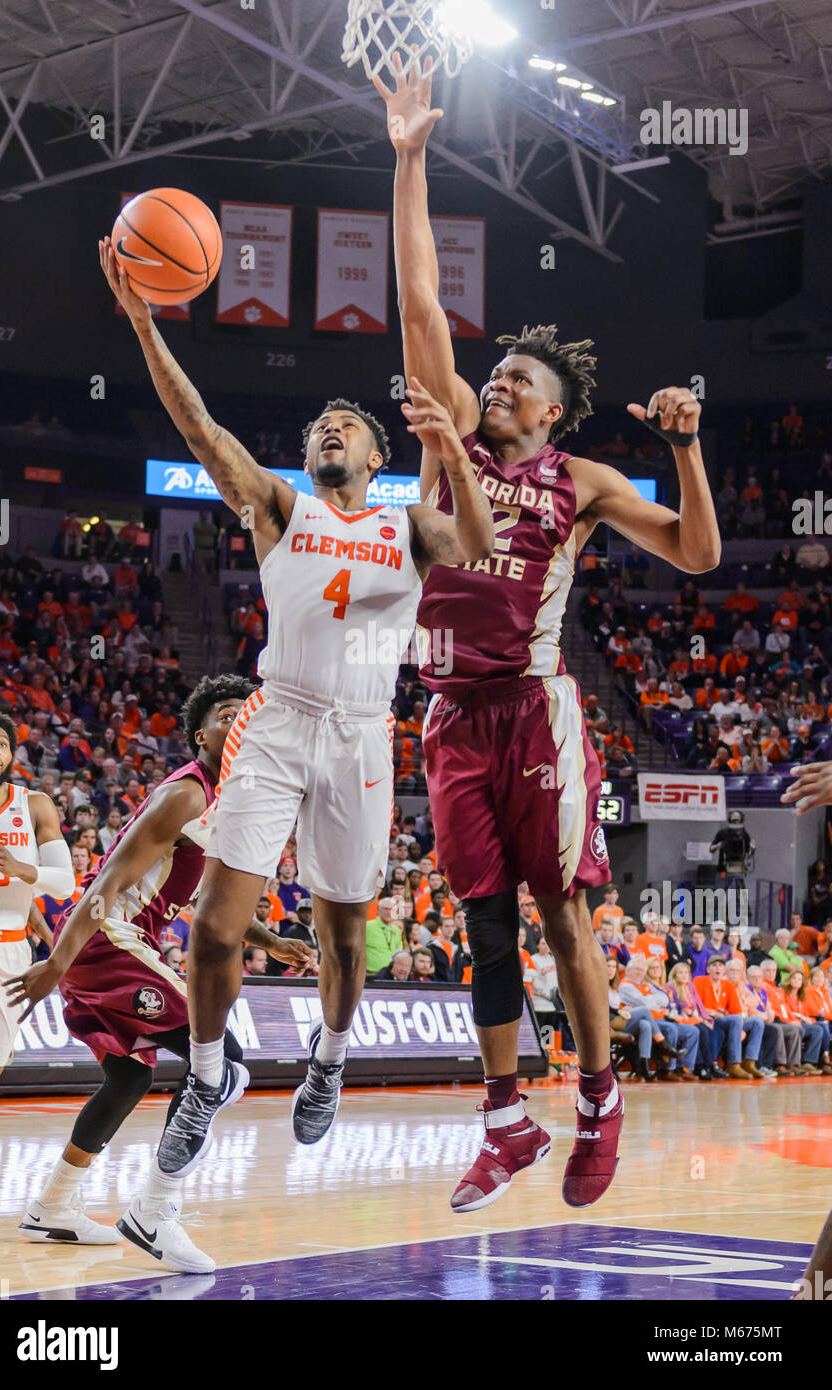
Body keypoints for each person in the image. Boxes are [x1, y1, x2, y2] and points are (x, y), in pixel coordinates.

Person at [93, 240, 495, 1265]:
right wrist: (144, 322)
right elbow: (199, 425)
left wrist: (448, 446)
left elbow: (479, 546)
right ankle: (205, 1074)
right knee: (217, 930)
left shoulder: (409, 527)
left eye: (349, 425)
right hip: (276, 721)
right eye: (322, 423)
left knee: (344, 933)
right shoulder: (282, 507)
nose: (330, 428)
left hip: (362, 736)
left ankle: (328, 1053)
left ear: (375, 456)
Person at [376, 55, 720, 1213]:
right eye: (495, 372)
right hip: (446, 713)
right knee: (480, 918)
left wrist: (683, 446)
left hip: (533, 705)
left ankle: (600, 1094)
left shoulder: (584, 475)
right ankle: (503, 1117)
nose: (495, 379)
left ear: (551, 405)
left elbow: (699, 555)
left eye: (514, 375)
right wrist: (409, 157)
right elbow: (421, 304)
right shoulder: (454, 440)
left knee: (562, 909)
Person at [8, 676, 314, 1260]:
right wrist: (56, 962)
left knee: (130, 1077)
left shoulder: (222, 803)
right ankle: (155, 1209)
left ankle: (52, 1206)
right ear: (203, 733)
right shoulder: (187, 795)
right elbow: (109, 881)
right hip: (103, 937)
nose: (241, 722)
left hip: (105, 944)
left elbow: (198, 893)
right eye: (228, 714)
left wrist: (266, 937)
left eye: (248, 714)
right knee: (222, 1062)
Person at [0, 706, 64, 1104]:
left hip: (11, 949)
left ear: (11, 756)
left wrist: (21, 870)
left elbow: (63, 883)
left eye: (3, 744)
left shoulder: (35, 805)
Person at [693, 956, 762, 1079]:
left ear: (724, 970)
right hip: (708, 1019)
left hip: (725, 1019)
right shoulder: (699, 981)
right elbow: (696, 1005)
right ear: (708, 969)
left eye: (720, 966)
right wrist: (715, 1012)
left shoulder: (728, 985)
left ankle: (749, 1062)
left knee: (757, 1021)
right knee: (736, 1019)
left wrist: (740, 1027)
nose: (718, 968)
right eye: (714, 966)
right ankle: (733, 1063)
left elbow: (736, 1010)